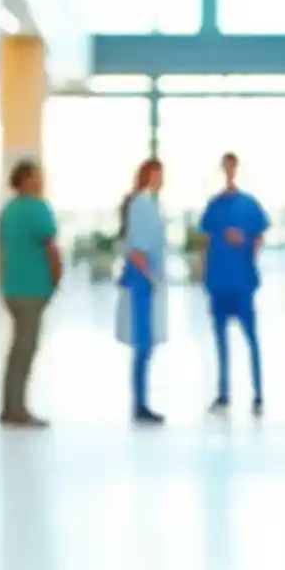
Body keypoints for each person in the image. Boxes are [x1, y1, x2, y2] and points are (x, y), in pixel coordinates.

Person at [198, 152, 270, 416]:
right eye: (225, 167)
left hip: (241, 282)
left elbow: (260, 236)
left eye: (232, 167)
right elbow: (205, 242)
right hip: (218, 282)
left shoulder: (249, 205)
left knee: (251, 338)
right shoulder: (213, 206)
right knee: (220, 341)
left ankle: (258, 394)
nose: (229, 171)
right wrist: (204, 275)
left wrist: (247, 245)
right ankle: (223, 394)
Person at [0, 159, 61, 428]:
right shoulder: (37, 208)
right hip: (32, 289)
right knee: (25, 349)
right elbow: (50, 246)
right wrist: (57, 276)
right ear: (24, 180)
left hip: (13, 289)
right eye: (36, 177)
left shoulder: (7, 211)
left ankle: (10, 405)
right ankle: (16, 410)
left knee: (17, 350)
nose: (41, 181)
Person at [117, 158, 168, 425]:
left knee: (145, 345)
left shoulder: (146, 204)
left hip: (145, 281)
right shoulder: (142, 205)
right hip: (142, 282)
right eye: (160, 175)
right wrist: (151, 277)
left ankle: (141, 402)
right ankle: (139, 404)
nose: (163, 180)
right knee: (142, 344)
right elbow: (137, 249)